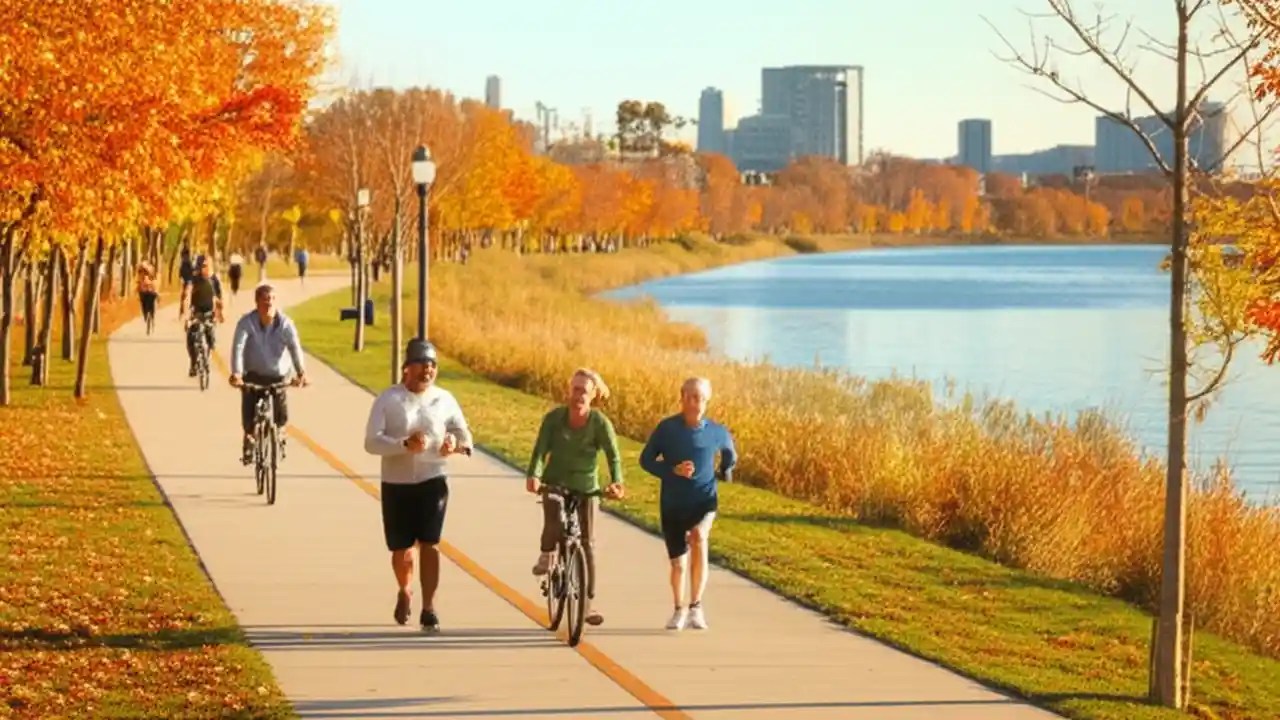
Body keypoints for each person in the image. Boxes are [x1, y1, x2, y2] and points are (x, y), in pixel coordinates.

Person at [363, 339, 474, 633]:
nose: (428, 370)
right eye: (421, 364)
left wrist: (456, 443)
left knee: (430, 543)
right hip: (396, 483)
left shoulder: (445, 399)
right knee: (402, 550)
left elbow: (463, 432)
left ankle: (429, 608)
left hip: (433, 479)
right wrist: (403, 445)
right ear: (406, 369)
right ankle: (405, 589)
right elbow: (371, 442)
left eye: (433, 365)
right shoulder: (388, 400)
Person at [526, 368, 625, 627]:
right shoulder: (554, 419)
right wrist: (534, 476)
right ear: (568, 391)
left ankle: (587, 604)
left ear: (593, 396)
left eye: (584, 391)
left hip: (586, 486)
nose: (579, 395)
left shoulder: (599, 423)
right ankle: (547, 555)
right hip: (555, 481)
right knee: (555, 513)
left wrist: (617, 482)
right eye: (576, 389)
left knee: (587, 542)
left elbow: (613, 455)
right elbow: (539, 451)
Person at [639, 377, 737, 631]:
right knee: (679, 563)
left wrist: (725, 471)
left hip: (704, 501)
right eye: (691, 397)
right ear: (681, 398)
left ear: (707, 401)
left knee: (699, 536)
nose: (695, 403)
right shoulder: (667, 429)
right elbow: (646, 460)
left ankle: (696, 606)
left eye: (701, 398)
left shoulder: (716, 431)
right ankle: (679, 608)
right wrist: (673, 470)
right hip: (672, 504)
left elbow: (729, 452)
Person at [228, 284, 308, 464]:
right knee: (249, 411)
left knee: (281, 412)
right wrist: (237, 374)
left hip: (277, 376)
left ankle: (279, 434)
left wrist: (301, 372)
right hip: (253, 375)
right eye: (264, 301)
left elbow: (295, 347)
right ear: (257, 303)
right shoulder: (246, 323)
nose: (268, 305)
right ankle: (249, 439)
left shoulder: (285, 324)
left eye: (271, 300)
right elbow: (238, 348)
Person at [183, 256, 223, 377]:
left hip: (210, 313)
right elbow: (187, 296)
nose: (204, 268)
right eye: (202, 266)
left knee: (211, 338)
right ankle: (194, 363)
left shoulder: (214, 280)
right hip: (196, 312)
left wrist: (220, 314)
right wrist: (186, 316)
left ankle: (206, 357)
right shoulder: (194, 279)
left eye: (207, 265)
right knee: (191, 337)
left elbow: (220, 299)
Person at [135, 262, 159, 329]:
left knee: (150, 305)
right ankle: (147, 317)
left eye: (145, 270)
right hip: (144, 293)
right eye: (143, 270)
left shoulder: (150, 276)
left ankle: (151, 318)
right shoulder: (141, 275)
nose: (144, 272)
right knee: (145, 305)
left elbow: (154, 285)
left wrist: (155, 292)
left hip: (149, 292)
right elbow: (138, 285)